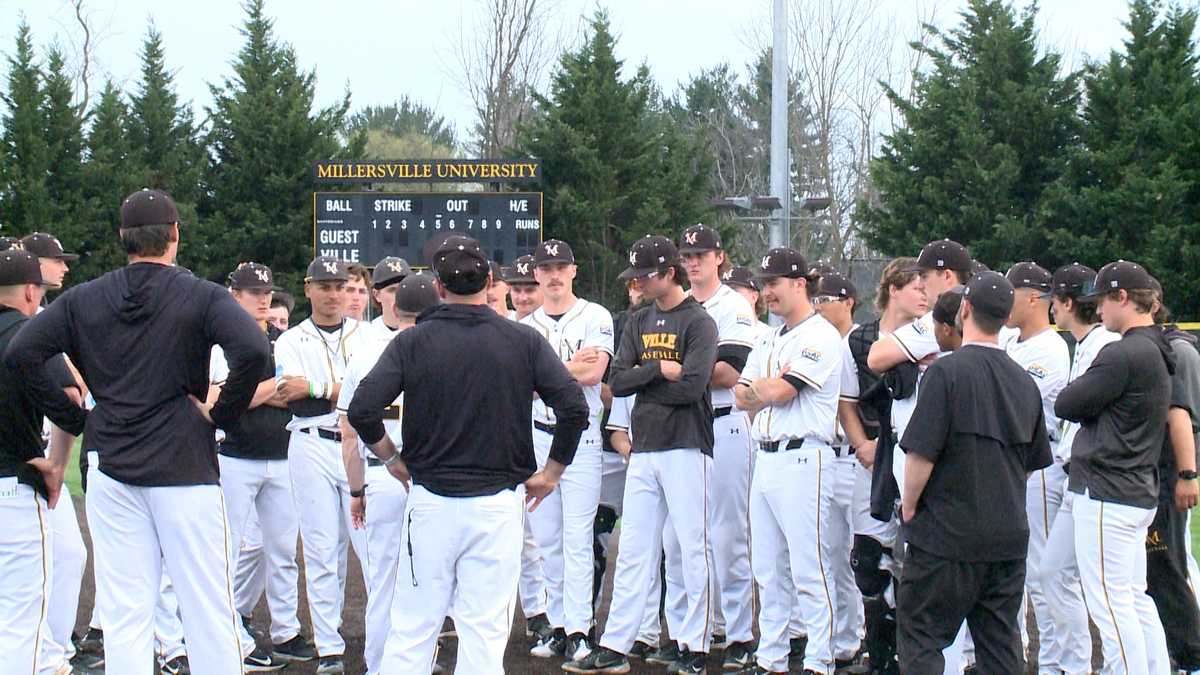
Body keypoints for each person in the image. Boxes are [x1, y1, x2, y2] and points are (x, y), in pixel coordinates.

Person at [6, 188, 272, 675]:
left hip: (111, 462)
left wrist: (79, 419)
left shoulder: (84, 297)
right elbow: (254, 351)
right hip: (182, 461)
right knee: (207, 606)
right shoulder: (201, 293)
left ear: (122, 238)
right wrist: (221, 415)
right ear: (175, 235)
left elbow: (21, 354)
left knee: (127, 611)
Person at [347, 234, 589, 675]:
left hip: (432, 502)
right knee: (483, 636)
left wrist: (390, 459)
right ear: (492, 280)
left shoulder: (412, 341)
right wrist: (552, 472)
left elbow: (362, 409)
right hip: (496, 507)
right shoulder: (524, 340)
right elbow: (573, 407)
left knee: (412, 632)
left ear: (438, 288)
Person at [566, 234, 718, 675]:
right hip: (645, 446)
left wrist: (645, 377)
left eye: (644, 275)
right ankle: (616, 643)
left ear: (669, 273)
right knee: (633, 549)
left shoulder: (699, 322)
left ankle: (695, 645)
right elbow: (618, 381)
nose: (637, 283)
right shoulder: (639, 320)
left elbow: (693, 387)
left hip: (688, 444)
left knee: (691, 547)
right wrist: (657, 370)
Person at [896, 271, 1051, 673]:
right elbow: (1032, 462)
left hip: (947, 535)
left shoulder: (946, 373)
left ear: (964, 310)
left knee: (921, 636)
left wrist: (909, 507)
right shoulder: (1023, 380)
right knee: (1000, 646)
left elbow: (920, 457)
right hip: (1007, 537)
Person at [727, 248, 842, 674]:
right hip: (767, 457)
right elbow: (742, 395)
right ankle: (771, 658)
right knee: (768, 569)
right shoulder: (770, 338)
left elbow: (779, 392)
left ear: (799, 284)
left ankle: (819, 661)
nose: (767, 291)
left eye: (774, 283)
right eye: (765, 283)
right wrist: (763, 386)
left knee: (809, 566)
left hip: (804, 457)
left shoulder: (821, 335)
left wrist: (763, 387)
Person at [1055, 260, 1173, 674]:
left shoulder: (1122, 352)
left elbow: (1066, 403)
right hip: (1135, 487)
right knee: (1133, 597)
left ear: (1123, 298)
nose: (1099, 310)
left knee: (1110, 603)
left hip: (1109, 490)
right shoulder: (1157, 345)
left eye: (1104, 300)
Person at [208, 262, 315, 663]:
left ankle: (286, 631)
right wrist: (263, 391)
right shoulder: (220, 342)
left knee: (284, 549)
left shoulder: (285, 340)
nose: (264, 299)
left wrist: (245, 392)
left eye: (267, 292)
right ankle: (229, 628)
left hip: (282, 454)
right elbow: (216, 399)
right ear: (233, 294)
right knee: (229, 549)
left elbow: (293, 391)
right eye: (254, 292)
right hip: (235, 455)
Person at [273, 255, 374, 674]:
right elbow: (290, 395)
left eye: (340, 286)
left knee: (372, 548)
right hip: (311, 441)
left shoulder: (369, 335)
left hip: (361, 444)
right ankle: (329, 646)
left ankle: (384, 643)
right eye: (325, 285)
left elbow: (371, 395)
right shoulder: (290, 339)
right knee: (320, 549)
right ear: (308, 288)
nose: (334, 294)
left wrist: (319, 387)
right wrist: (336, 391)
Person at [338, 274, 439, 675]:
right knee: (426, 584)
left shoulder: (367, 356)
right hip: (432, 479)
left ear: (395, 309)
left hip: (384, 474)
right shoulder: (446, 354)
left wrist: (356, 490)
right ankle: (417, 664)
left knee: (383, 584)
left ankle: (378, 666)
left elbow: (349, 434)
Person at [520, 239, 614, 660]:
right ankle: (557, 623)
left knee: (578, 538)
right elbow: (518, 381)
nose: (554, 274)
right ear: (536, 275)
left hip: (581, 436)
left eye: (561, 265)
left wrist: (543, 372)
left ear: (573, 271)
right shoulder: (525, 326)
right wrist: (566, 367)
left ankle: (580, 628)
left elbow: (594, 373)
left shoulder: (595, 315)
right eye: (546, 267)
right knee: (547, 539)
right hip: (537, 435)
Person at [838, 258, 927, 675]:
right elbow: (847, 401)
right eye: (916, 287)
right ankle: (879, 655)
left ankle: (910, 657)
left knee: (912, 560)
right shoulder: (861, 339)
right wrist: (861, 444)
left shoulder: (929, 339)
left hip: (914, 457)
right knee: (868, 560)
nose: (924, 295)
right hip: (872, 459)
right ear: (893, 289)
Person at [677, 223, 757, 670]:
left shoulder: (734, 306)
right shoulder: (680, 305)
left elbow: (728, 371)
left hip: (725, 421)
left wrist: (672, 371)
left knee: (729, 532)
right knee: (690, 534)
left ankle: (742, 633)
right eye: (687, 256)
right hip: (684, 425)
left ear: (719, 258)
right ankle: (706, 627)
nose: (693, 261)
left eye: (700, 255)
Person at [0, 249, 84, 675]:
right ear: (32, 292)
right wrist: (56, 465)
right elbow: (71, 406)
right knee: (20, 622)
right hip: (13, 490)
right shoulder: (31, 337)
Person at [20, 230, 89, 673]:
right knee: (58, 557)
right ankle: (50, 657)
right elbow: (73, 392)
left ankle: (51, 651)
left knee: (62, 557)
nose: (64, 266)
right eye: (56, 260)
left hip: (32, 451)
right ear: (32, 267)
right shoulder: (32, 322)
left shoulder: (44, 314)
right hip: (32, 460)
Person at [998, 262, 1071, 672]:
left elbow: (1015, 403)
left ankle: (1056, 663)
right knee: (1021, 571)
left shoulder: (1050, 347)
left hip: (1041, 466)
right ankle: (1032, 654)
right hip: (1013, 468)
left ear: (1032, 297)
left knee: (1042, 571)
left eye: (1012, 290)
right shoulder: (1013, 338)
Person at [1038, 262, 1111, 675]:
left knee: (1104, 586)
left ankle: (1085, 663)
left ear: (1065, 303)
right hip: (1074, 476)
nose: (1052, 307)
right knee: (1054, 572)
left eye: (1056, 299)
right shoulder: (1083, 343)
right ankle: (1074, 663)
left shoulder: (1102, 345)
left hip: (1095, 478)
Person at [811, 270, 868, 668]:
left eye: (827, 298)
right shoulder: (812, 340)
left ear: (848, 300)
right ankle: (844, 636)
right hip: (827, 456)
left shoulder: (862, 341)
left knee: (863, 553)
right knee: (831, 554)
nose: (819, 305)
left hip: (859, 457)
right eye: (816, 298)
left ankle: (866, 632)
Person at [1145, 292, 1200, 671]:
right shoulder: (1171, 347)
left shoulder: (1176, 352)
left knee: (1168, 567)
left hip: (1169, 474)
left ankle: (1192, 655)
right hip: (1164, 473)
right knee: (1169, 565)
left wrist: (1186, 474)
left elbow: (1183, 417)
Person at [723, 266, 771, 342]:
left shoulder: (769, 336)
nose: (728, 295)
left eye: (734, 290)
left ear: (754, 297)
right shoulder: (716, 332)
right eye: (724, 291)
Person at [367, 256, 410, 335]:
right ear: (376, 295)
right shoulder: (366, 335)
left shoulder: (424, 332)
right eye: (393, 290)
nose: (400, 295)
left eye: (404, 288)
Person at [507, 254, 544, 321]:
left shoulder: (555, 327)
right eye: (517, 290)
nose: (523, 298)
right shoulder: (500, 327)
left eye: (529, 290)